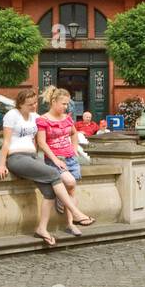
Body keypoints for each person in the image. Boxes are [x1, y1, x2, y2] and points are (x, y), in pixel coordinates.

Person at [0, 89, 86, 245]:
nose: (34, 106)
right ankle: (75, 212)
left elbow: (42, 139)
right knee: (53, 172)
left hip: (31, 157)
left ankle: (41, 229)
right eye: (30, 104)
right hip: (16, 157)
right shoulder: (12, 115)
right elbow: (6, 142)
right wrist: (2, 164)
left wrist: (67, 147)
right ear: (20, 104)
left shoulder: (36, 117)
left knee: (49, 192)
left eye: (35, 103)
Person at [36, 86, 95, 236]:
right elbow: (42, 143)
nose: (66, 106)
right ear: (54, 101)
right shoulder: (43, 120)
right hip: (55, 160)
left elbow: (74, 134)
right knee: (70, 182)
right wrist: (55, 160)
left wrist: (74, 149)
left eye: (67, 104)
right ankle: (73, 211)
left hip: (70, 159)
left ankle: (70, 224)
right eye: (63, 103)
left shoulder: (67, 119)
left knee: (71, 190)